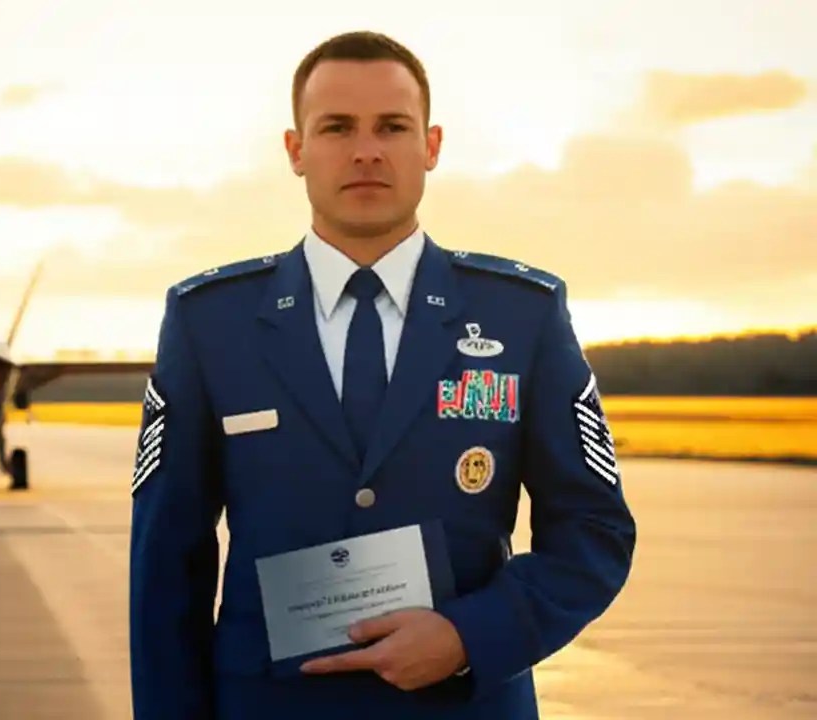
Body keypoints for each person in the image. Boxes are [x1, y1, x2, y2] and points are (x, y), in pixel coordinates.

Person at [128, 30, 636, 720]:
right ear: (296, 150)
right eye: (336, 127)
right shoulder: (209, 323)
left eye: (392, 127)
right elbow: (165, 572)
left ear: (430, 145)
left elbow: (592, 530)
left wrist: (468, 636)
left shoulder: (521, 317)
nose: (366, 150)